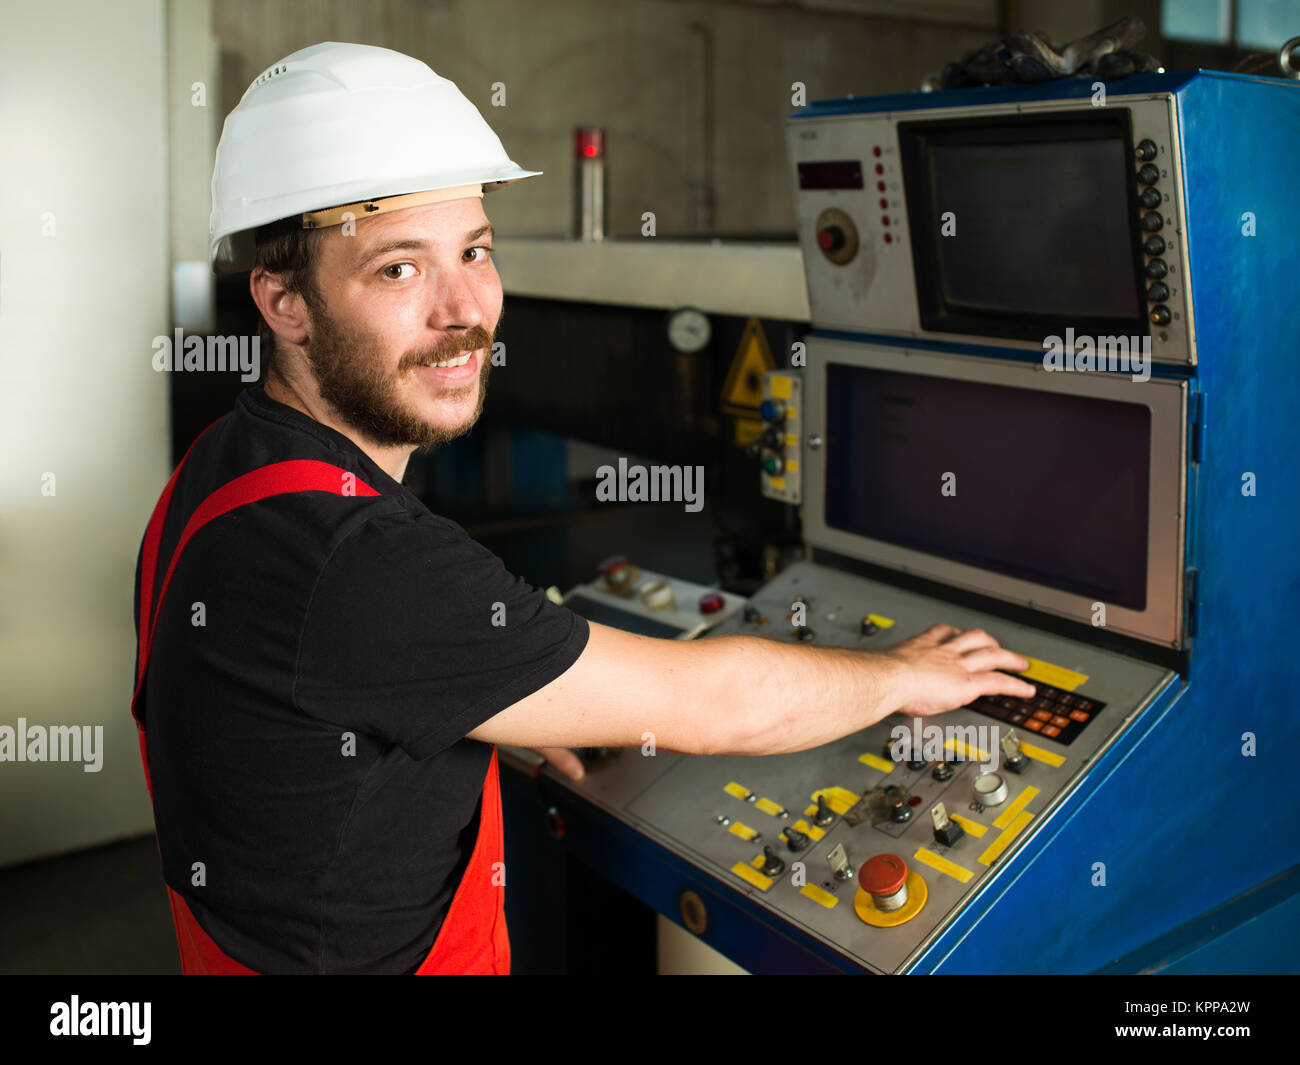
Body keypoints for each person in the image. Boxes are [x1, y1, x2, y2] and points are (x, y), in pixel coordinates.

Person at [132, 42, 1035, 976]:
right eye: (399, 269)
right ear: (283, 301)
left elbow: (338, 708)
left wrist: (502, 694)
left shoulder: (217, 471)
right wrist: (900, 678)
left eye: (475, 252)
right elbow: (720, 704)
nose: (466, 309)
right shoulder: (363, 563)